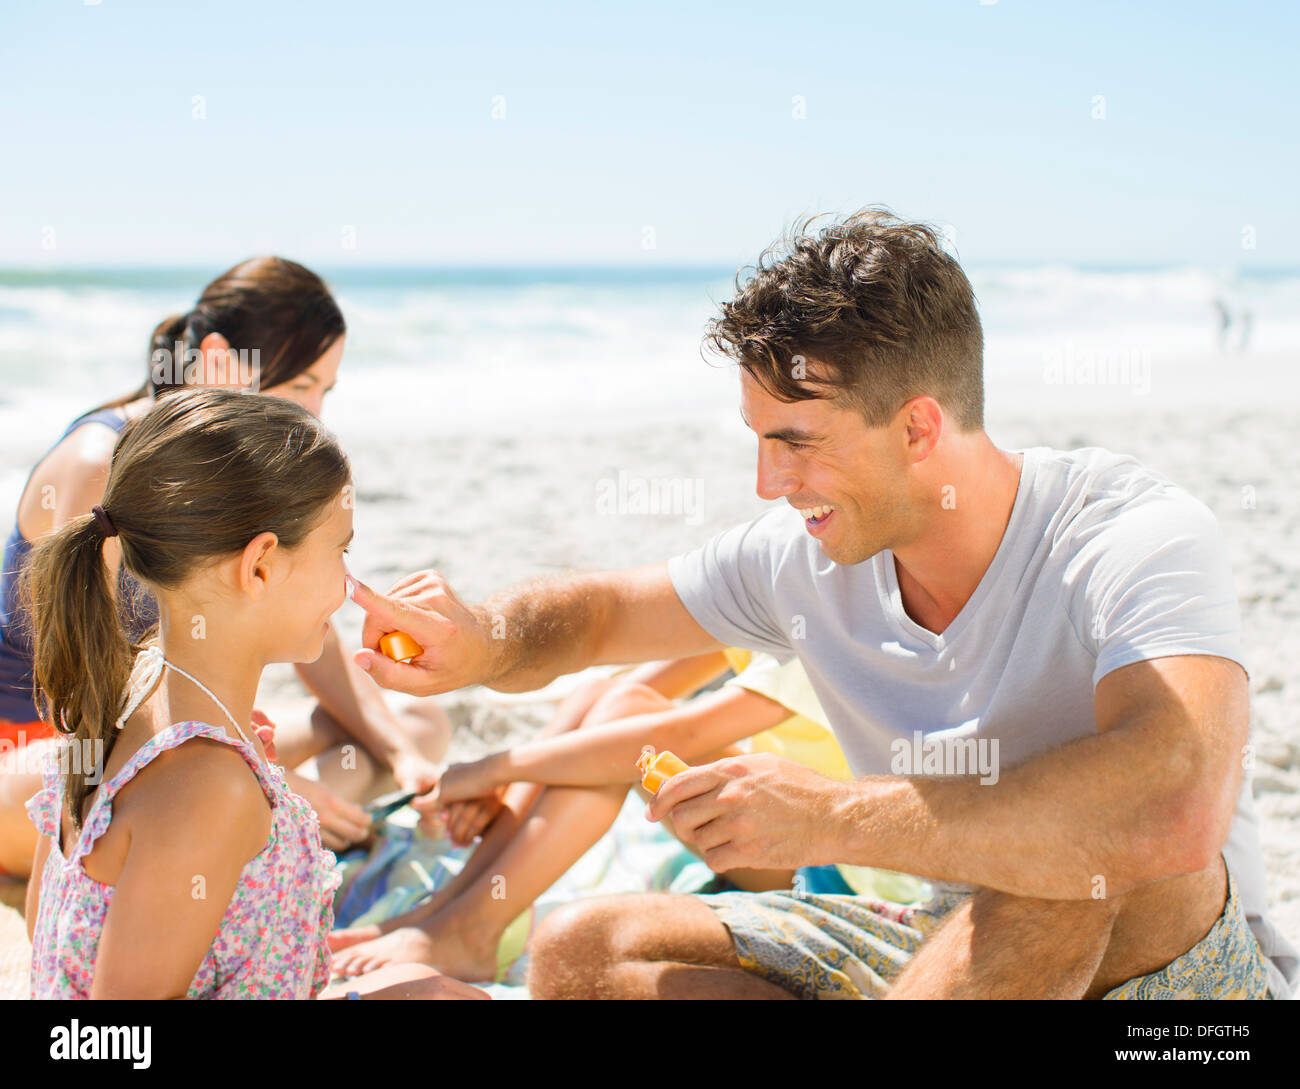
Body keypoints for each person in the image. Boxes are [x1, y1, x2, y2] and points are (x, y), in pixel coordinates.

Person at [344, 207, 1297, 1000]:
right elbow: (601, 615)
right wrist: (483, 640)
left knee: (1070, 866)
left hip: (1183, 993)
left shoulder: (1129, 534)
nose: (768, 481)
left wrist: (835, 818)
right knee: (587, 950)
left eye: (796, 441)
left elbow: (1175, 807)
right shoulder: (809, 557)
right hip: (954, 937)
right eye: (760, 439)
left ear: (919, 425)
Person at [21, 389, 484, 999]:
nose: (348, 583)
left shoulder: (126, 685)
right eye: (341, 550)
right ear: (260, 565)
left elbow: (47, 930)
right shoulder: (209, 787)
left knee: (421, 986)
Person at [0, 257, 445, 877]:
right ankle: (275, 827)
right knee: (217, 799)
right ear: (216, 360)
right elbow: (91, 697)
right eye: (298, 387)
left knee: (420, 725)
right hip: (48, 752)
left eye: (324, 390)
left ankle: (277, 828)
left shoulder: (227, 463)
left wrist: (400, 758)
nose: (314, 413)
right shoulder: (100, 463)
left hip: (170, 739)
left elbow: (304, 616)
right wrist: (268, 777)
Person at [328, 647, 920, 982]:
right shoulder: (776, 587)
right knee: (598, 701)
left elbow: (676, 730)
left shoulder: (833, 620)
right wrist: (507, 785)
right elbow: (624, 691)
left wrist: (493, 769)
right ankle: (448, 910)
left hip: (830, 865)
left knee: (629, 731)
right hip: (781, 827)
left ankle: (472, 930)